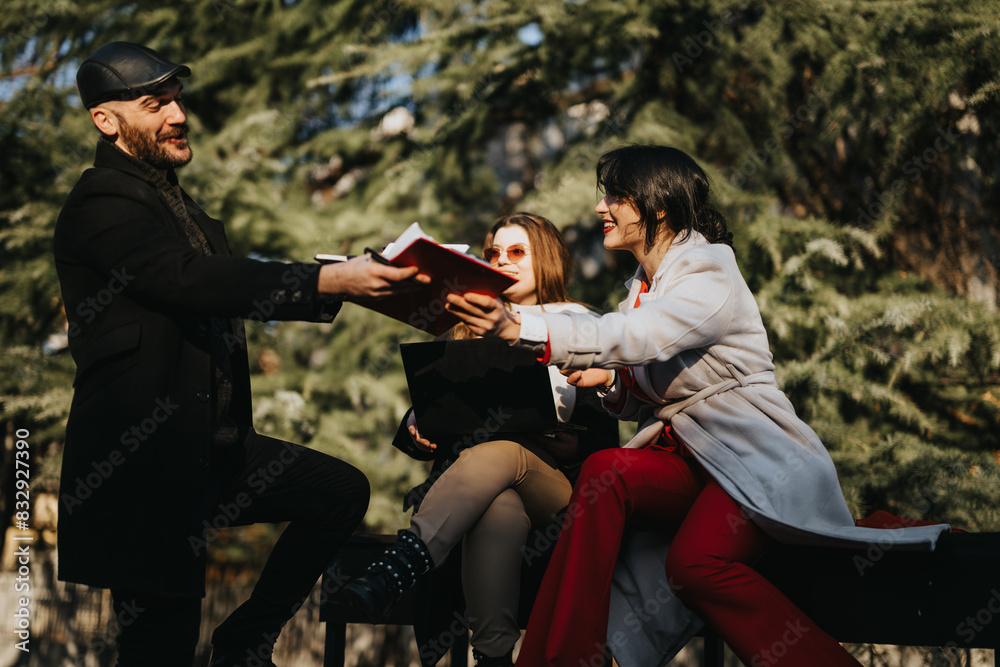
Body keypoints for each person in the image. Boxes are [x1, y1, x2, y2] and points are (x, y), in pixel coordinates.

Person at [444, 145, 949, 666]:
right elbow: (642, 368)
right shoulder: (640, 287)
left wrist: (521, 326)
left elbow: (641, 336)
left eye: (616, 195)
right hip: (694, 460)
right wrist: (608, 381)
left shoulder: (709, 269)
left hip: (753, 461)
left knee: (693, 564)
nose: (601, 207)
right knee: (607, 470)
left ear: (657, 206)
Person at [54, 42, 427, 667]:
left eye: (176, 99)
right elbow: (188, 278)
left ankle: (244, 640)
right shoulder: (100, 202)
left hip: (215, 453)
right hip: (148, 467)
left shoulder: (179, 206)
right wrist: (326, 283)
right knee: (159, 650)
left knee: (336, 491)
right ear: (106, 120)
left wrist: (344, 274)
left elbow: (216, 277)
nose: (177, 115)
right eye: (155, 104)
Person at [343, 213, 618, 667]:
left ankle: (398, 569)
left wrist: (573, 445)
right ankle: (493, 658)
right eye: (493, 253)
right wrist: (417, 420)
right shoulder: (466, 326)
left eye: (516, 252)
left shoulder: (581, 323)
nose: (502, 261)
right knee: (498, 506)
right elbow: (433, 421)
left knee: (501, 452)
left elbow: (607, 434)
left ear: (545, 259)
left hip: (558, 491)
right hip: (484, 495)